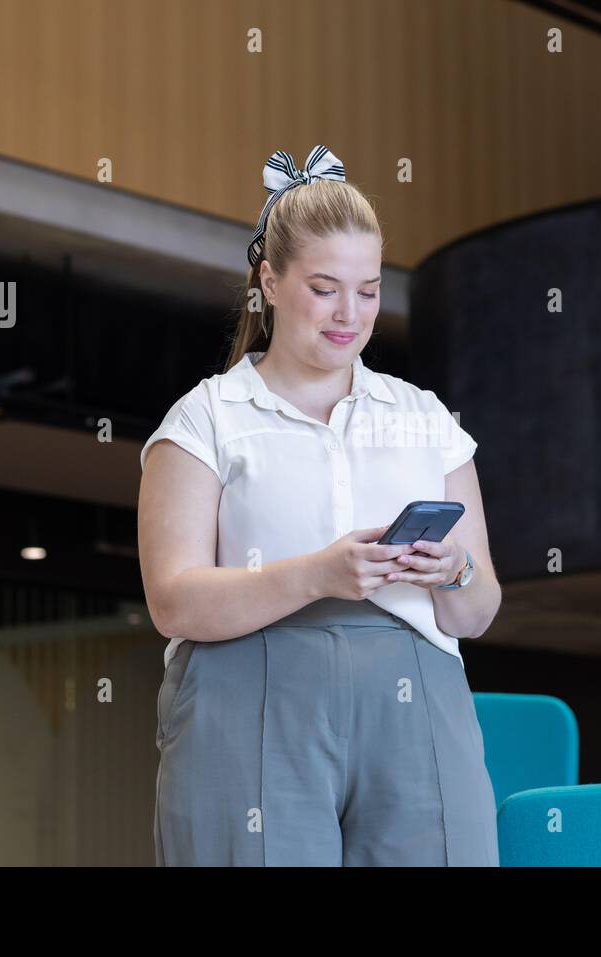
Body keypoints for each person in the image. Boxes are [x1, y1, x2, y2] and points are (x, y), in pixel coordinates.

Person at [138, 146, 502, 866]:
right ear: (269, 281)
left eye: (368, 291)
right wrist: (321, 574)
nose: (350, 314)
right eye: (325, 287)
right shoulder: (205, 418)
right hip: (248, 690)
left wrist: (451, 567)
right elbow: (173, 601)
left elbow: (478, 608)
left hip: (416, 693)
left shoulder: (425, 417)